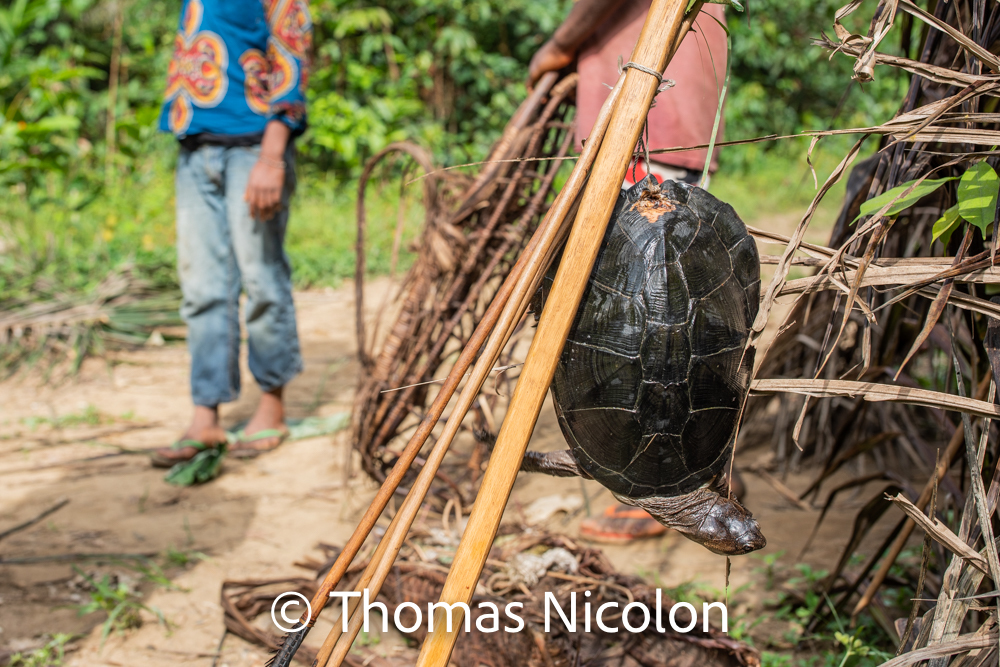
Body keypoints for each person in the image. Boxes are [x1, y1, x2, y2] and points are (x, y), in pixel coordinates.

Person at [528, 0, 731, 541]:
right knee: (668, 321)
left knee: (648, 320)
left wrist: (559, 46)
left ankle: (648, 496)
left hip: (647, 113)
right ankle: (678, 482)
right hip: (663, 107)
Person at [151, 0, 313, 468]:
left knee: (261, 279)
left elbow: (290, 57)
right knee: (202, 288)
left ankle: (271, 406)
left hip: (252, 151)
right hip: (195, 146)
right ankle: (206, 416)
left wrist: (272, 155)